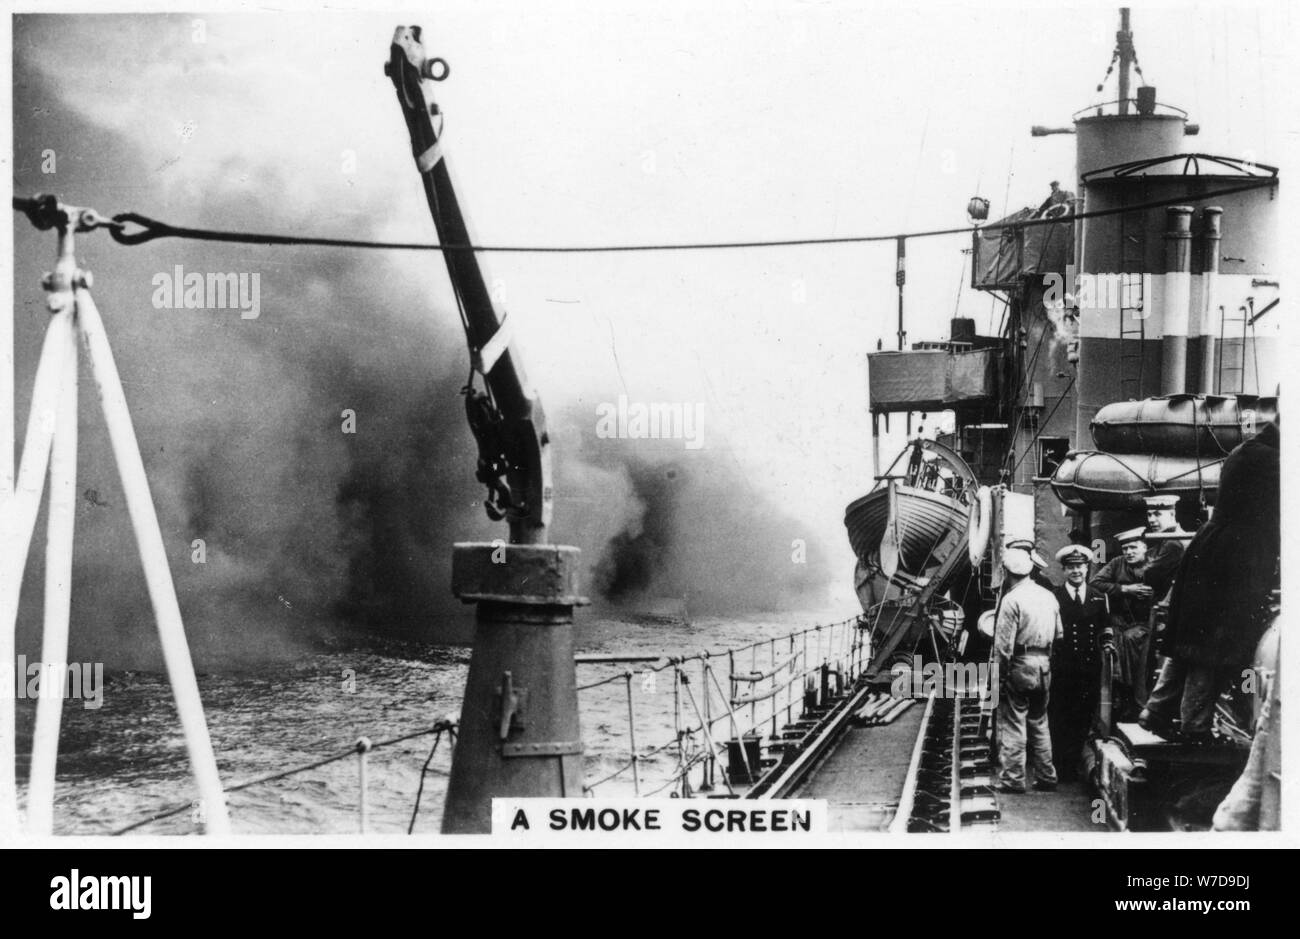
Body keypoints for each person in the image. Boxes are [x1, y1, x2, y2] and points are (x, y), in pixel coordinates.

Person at [1141, 421, 1280, 742]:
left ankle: (1156, 710)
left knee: (1189, 642)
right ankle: (1195, 726)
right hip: (1237, 559)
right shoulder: (1273, 459)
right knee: (1213, 646)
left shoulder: (1246, 450)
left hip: (1211, 551)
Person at [993, 539, 1063, 794]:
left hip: (1020, 667)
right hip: (1044, 666)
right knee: (1039, 722)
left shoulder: (1011, 600)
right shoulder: (1048, 596)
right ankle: (1046, 776)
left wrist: (999, 678)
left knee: (1014, 722)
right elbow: (1059, 635)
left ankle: (1012, 779)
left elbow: (1003, 647)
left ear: (1007, 571)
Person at [1048, 545, 1108, 782]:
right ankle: (1061, 766)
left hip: (1089, 668)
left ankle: (1074, 764)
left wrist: (1107, 643)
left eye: (1080, 566)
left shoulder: (1098, 596)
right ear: (1064, 570)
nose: (1076, 571)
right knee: (1060, 715)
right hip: (1063, 668)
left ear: (1087, 568)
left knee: (1083, 716)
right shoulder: (1054, 597)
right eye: (1071, 567)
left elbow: (1105, 627)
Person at [1090, 527, 1153, 719]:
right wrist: (1125, 589)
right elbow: (1095, 583)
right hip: (1119, 622)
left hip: (1145, 623)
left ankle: (1134, 698)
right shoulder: (1117, 563)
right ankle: (1116, 697)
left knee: (1130, 640)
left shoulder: (1155, 564)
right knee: (1112, 643)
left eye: (1134, 547)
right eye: (1125, 549)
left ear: (1145, 547)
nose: (1129, 552)